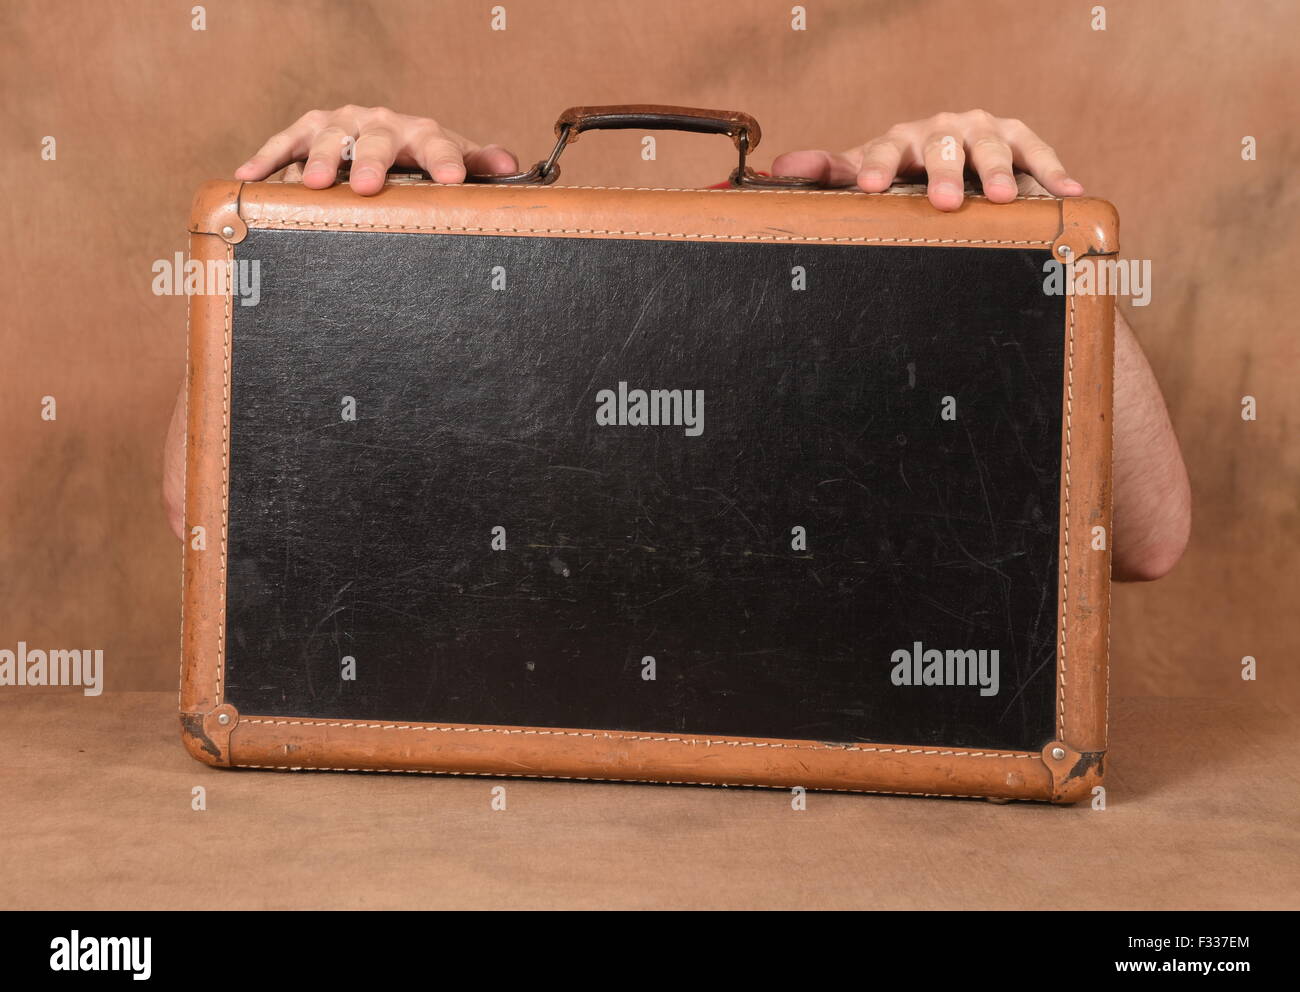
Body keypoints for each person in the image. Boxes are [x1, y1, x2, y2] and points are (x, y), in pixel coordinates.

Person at [163, 106, 1191, 582]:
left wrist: (1034, 260)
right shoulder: (440, 363)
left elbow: (1147, 537)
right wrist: (293, 255)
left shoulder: (880, 335)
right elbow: (192, 503)